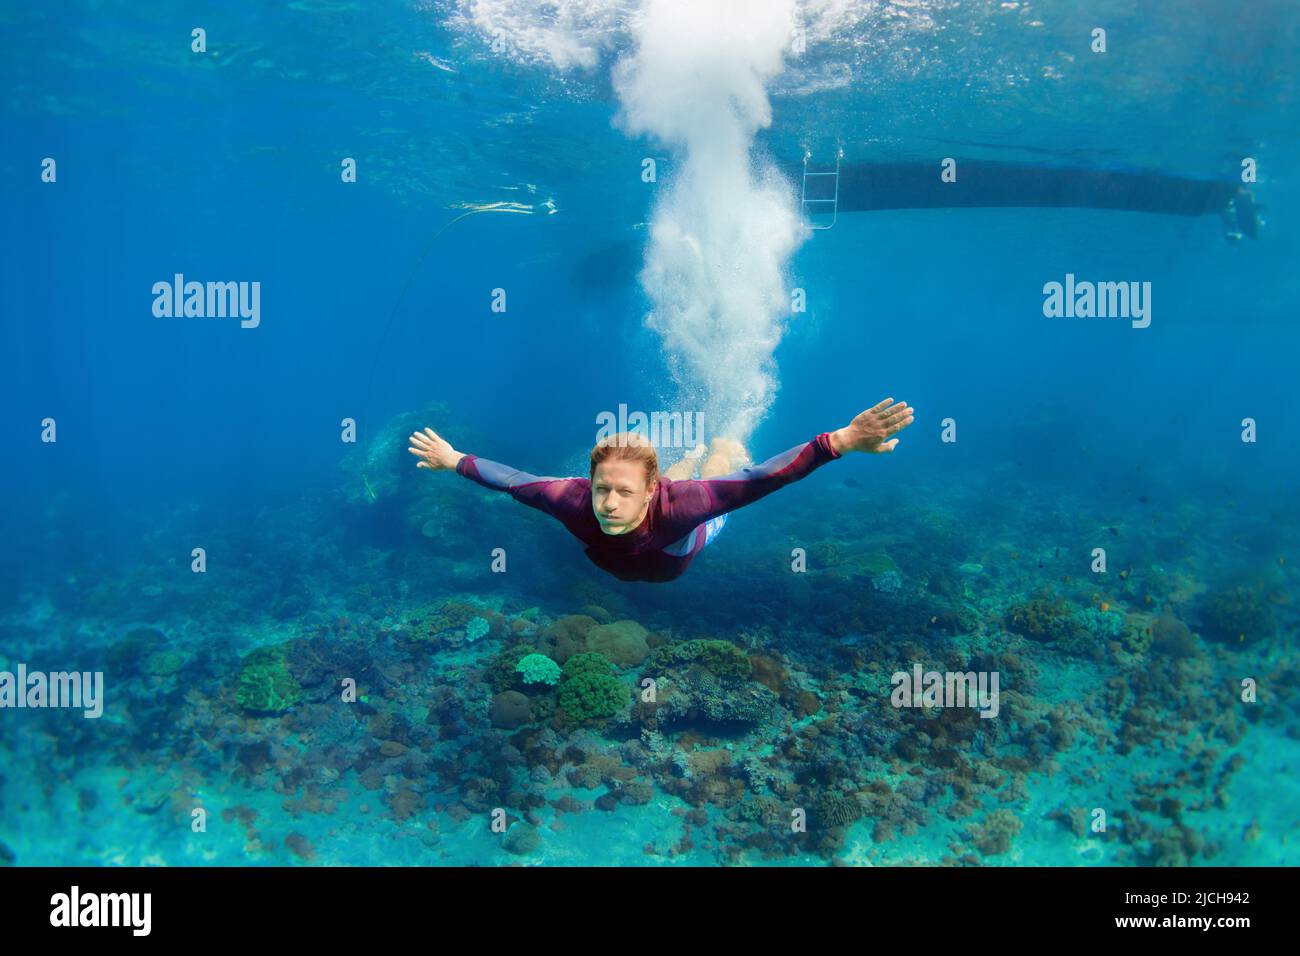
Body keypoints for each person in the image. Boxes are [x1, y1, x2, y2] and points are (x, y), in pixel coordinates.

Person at [407, 398, 914, 583]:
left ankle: (715, 447)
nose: (608, 504)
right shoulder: (571, 499)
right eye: (602, 488)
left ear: (650, 492)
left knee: (713, 479)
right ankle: (688, 457)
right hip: (638, 545)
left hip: (682, 552)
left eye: (624, 493)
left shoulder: (683, 507)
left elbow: (762, 478)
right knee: (681, 476)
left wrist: (840, 441)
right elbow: (513, 479)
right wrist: (453, 460)